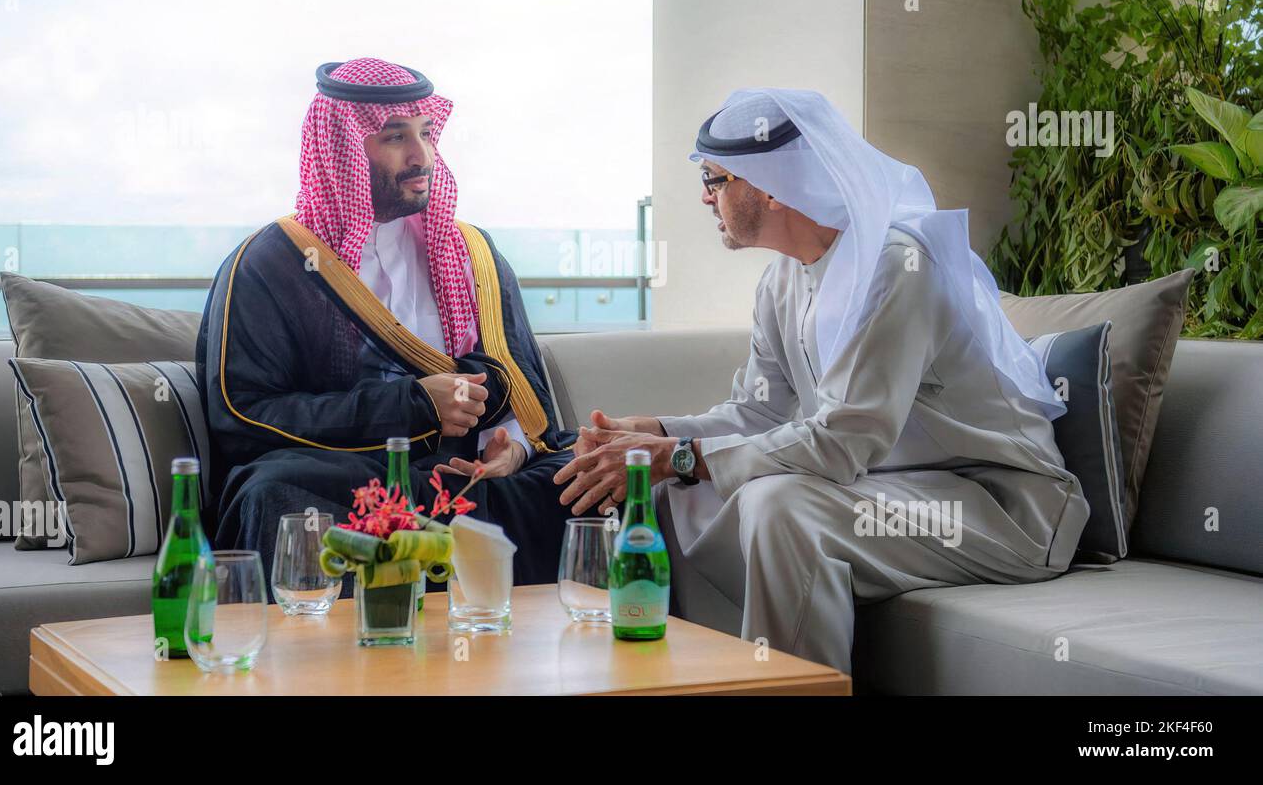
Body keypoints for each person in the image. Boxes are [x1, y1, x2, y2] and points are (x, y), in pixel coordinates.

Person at [555, 87, 1089, 672]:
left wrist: (679, 453)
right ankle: (703, 682)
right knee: (672, 490)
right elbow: (758, 414)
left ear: (772, 185)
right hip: (896, 489)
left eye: (715, 180)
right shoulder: (782, 280)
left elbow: (843, 441)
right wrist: (653, 434)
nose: (704, 198)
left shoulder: (897, 266)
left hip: (1002, 507)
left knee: (781, 505)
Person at [196, 57, 574, 588]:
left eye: (427, 133)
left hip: (469, 477)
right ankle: (340, 663)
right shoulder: (272, 263)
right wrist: (414, 407)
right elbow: (245, 414)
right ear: (343, 148)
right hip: (355, 474)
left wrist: (510, 447)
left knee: (594, 471)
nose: (421, 156)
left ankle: (563, 661)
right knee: (279, 489)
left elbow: (527, 385)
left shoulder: (473, 253)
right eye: (395, 137)